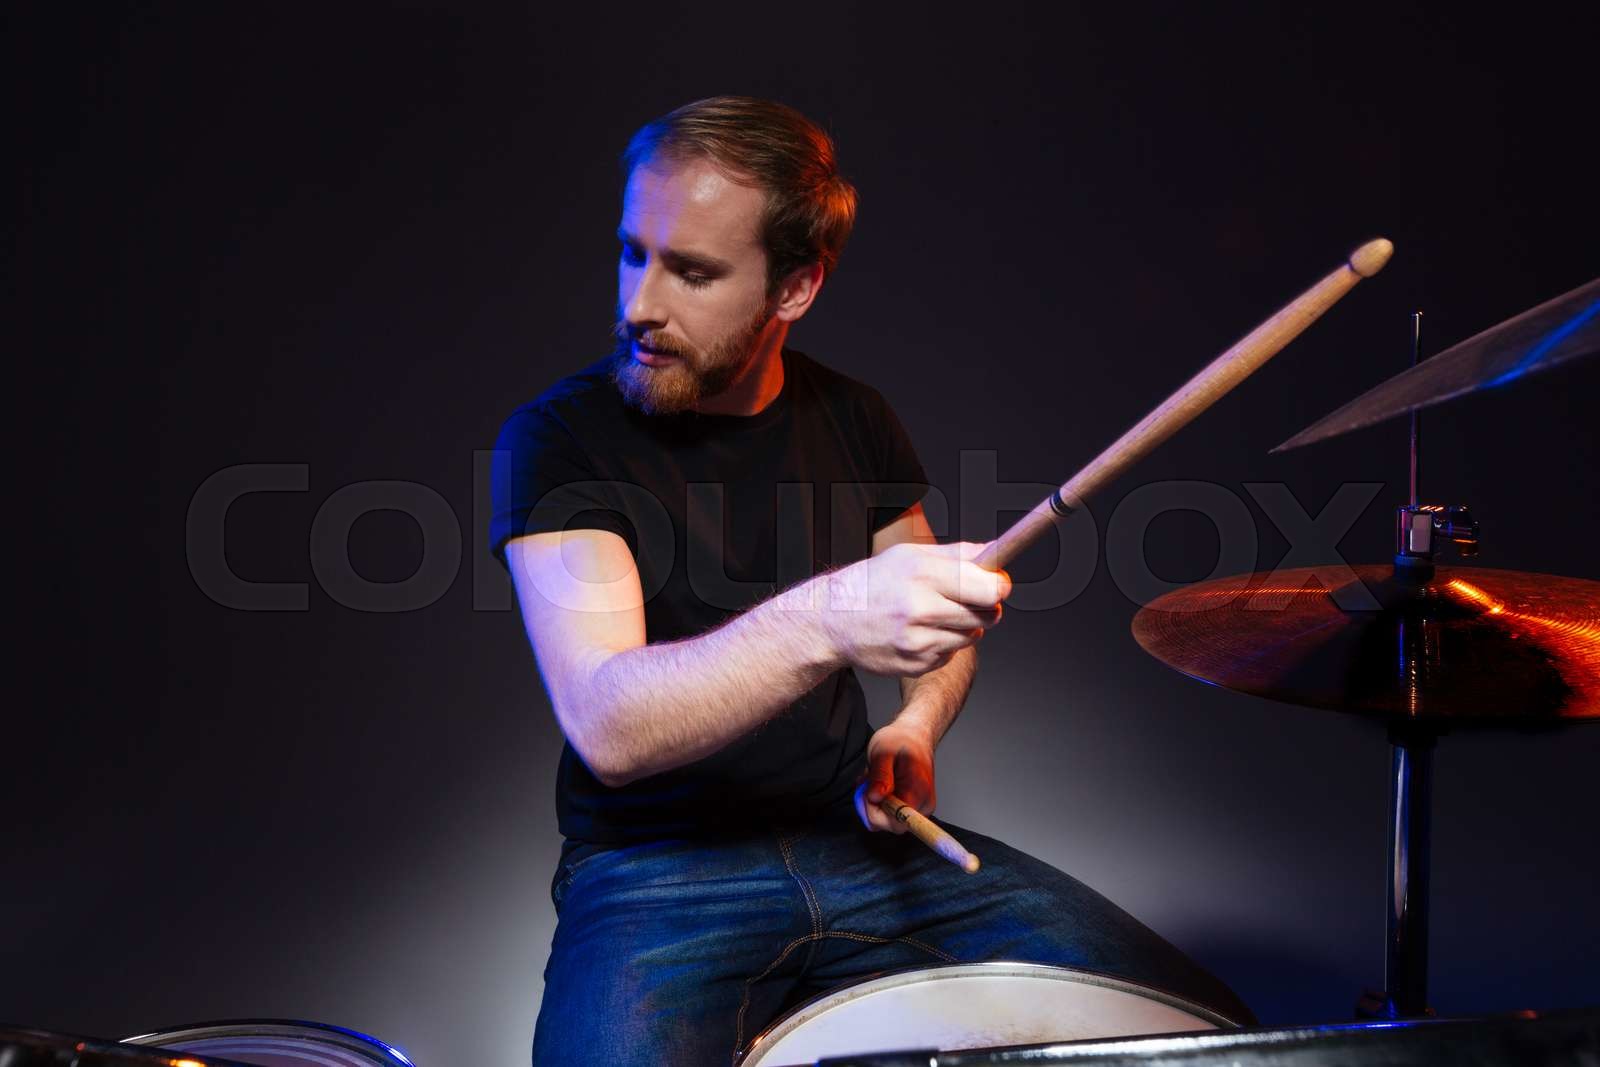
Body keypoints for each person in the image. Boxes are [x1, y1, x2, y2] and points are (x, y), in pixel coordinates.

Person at [490, 95, 1249, 1065]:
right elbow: (608, 724)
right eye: (633, 252)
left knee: (1203, 1031)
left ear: (794, 287)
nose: (640, 301)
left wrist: (913, 725)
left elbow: (945, 613)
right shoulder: (556, 438)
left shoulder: (853, 415)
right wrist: (832, 617)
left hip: (858, 842)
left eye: (692, 271)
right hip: (654, 874)